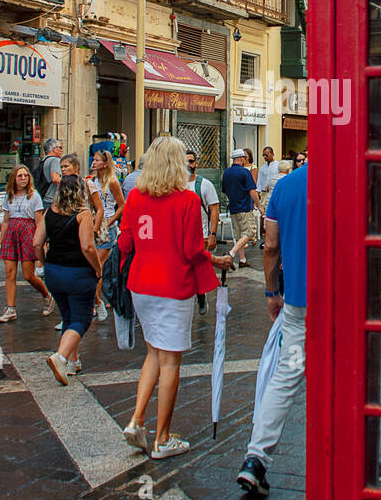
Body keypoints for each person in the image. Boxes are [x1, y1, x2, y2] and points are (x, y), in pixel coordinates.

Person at [118, 136, 233, 457]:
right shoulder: (185, 201)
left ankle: (137, 420)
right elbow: (191, 250)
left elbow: (125, 244)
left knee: (153, 352)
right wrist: (217, 260)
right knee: (170, 362)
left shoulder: (136, 198)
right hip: (173, 286)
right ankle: (162, 437)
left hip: (140, 284)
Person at [237, 155, 307, 497]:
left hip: (298, 304)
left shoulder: (285, 186)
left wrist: (271, 293)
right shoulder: (352, 179)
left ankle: (256, 458)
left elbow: (271, 246)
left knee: (286, 375)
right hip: (344, 305)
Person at [34, 175, 102, 385]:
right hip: (78, 272)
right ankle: (61, 357)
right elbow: (87, 247)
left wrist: (44, 262)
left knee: (68, 316)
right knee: (82, 319)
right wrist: (98, 269)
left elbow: (37, 243)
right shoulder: (83, 214)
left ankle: (72, 363)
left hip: (54, 271)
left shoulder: (50, 213)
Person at [0, 164, 54, 322]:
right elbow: (6, 220)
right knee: (10, 273)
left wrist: (40, 242)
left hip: (28, 232)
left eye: (26, 176)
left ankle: (47, 295)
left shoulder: (34, 196)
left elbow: (39, 220)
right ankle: (10, 309)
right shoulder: (9, 195)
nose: (23, 179)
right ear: (14, 178)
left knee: (28, 275)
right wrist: (0, 241)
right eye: (20, 176)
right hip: (12, 232)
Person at [88, 149, 125, 321]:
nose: (93, 163)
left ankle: (96, 302)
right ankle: (98, 299)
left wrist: (110, 222)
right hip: (95, 224)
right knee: (93, 264)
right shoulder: (93, 181)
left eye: (97, 160)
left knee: (98, 265)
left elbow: (122, 205)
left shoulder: (112, 182)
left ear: (104, 163)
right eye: (93, 160)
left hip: (107, 226)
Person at [185, 149, 219, 314]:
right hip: (181, 237)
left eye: (191, 161)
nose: (188, 165)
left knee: (198, 270)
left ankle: (200, 295)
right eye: (185, 161)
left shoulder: (205, 184)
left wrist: (213, 234)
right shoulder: (175, 185)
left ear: (196, 163)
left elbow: (214, 209)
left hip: (202, 236)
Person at [220, 148, 260, 266]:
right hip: (245, 207)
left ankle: (242, 260)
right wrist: (259, 205)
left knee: (239, 235)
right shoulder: (244, 172)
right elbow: (252, 190)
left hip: (233, 208)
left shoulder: (226, 172)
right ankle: (231, 253)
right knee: (249, 233)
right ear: (242, 159)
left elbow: (225, 191)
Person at [40, 138, 63, 205]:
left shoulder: (44, 160)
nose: (61, 150)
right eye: (60, 148)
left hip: (44, 198)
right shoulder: (55, 160)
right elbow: (55, 179)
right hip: (51, 200)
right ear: (54, 149)